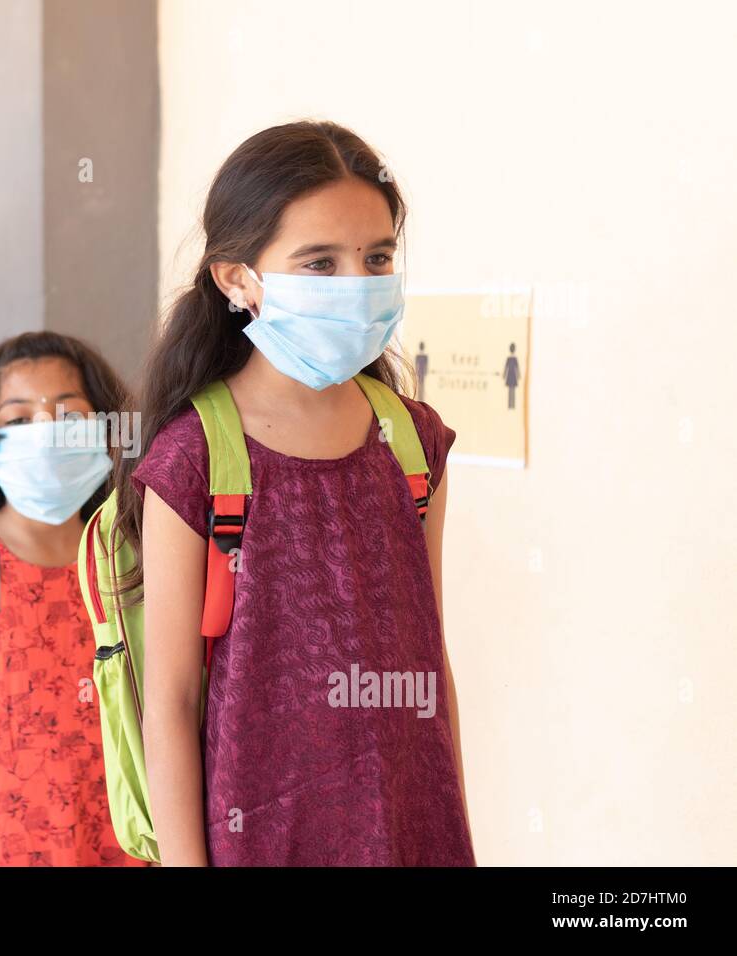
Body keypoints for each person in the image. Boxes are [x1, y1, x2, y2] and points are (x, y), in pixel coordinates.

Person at [118, 120, 475, 866]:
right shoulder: (194, 458)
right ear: (236, 278)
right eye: (319, 263)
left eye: (377, 257)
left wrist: (451, 825)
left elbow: (428, 661)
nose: (359, 284)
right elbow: (173, 703)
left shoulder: (414, 441)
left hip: (412, 829)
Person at [0, 332, 149, 867]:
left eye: (69, 417)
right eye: (19, 420)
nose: (46, 435)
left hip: (126, 841)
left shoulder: (129, 552)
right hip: (7, 843)